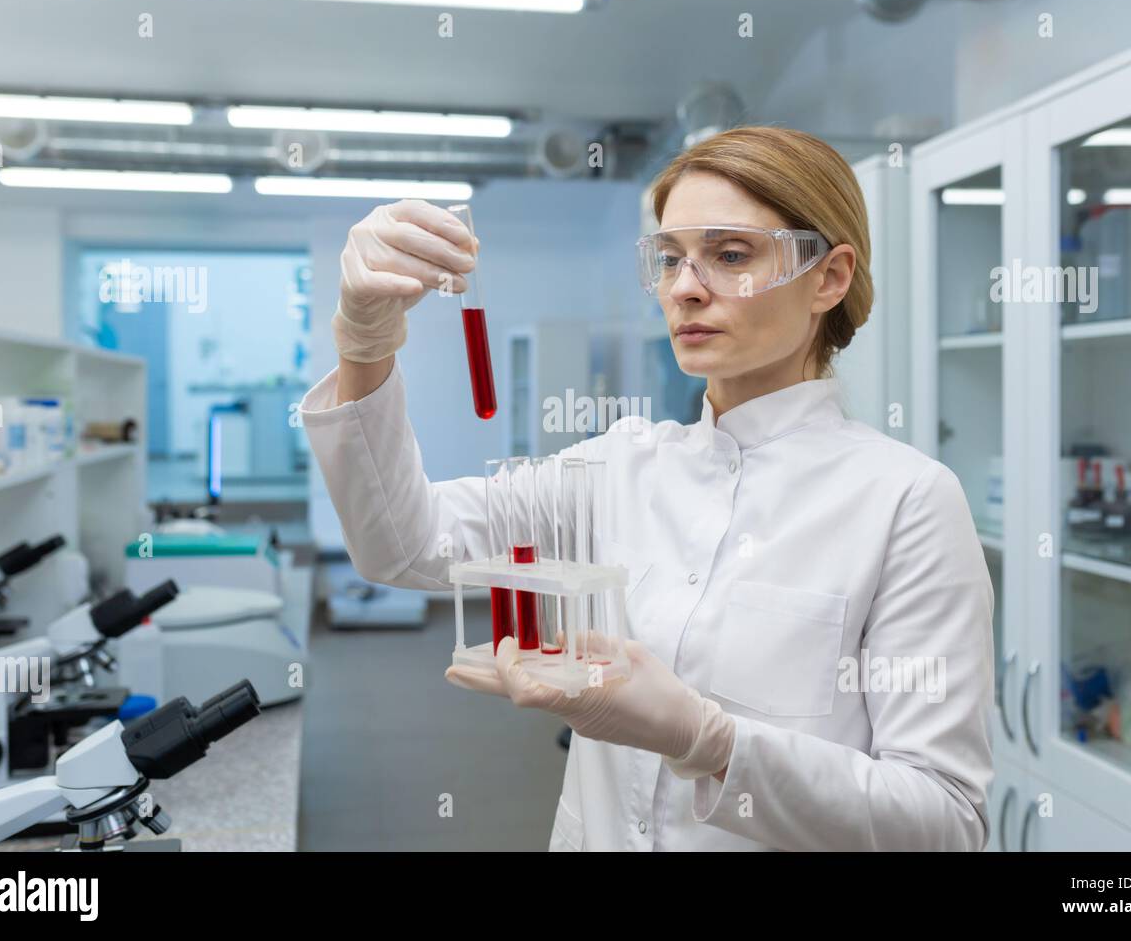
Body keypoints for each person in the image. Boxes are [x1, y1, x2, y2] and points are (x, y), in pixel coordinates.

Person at [300, 125, 995, 851]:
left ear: (828, 276)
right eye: (670, 259)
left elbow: (940, 821)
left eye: (730, 255)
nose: (686, 288)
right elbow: (401, 546)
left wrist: (710, 742)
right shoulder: (619, 466)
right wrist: (364, 346)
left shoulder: (907, 501)